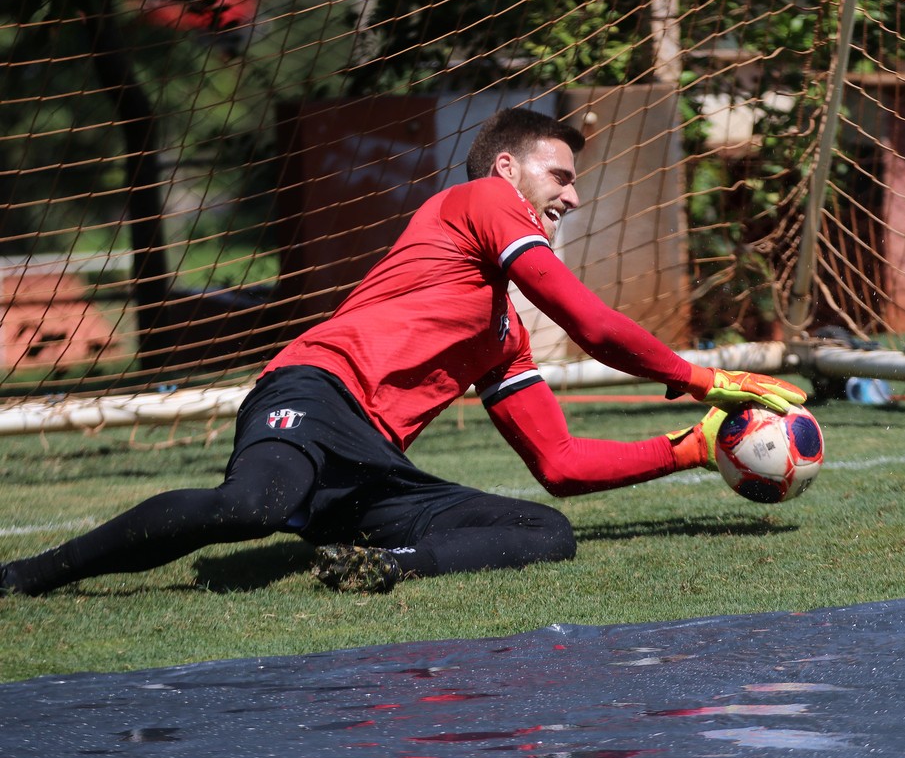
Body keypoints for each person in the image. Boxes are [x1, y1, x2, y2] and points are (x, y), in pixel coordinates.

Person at [0, 108, 806, 596]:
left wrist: (693, 447)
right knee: (252, 507)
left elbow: (558, 463)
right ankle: (26, 576)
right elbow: (592, 324)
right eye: (559, 175)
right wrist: (702, 377)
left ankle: (384, 566)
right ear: (506, 168)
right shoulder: (480, 201)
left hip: (371, 467)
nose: (572, 194)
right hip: (315, 393)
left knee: (545, 532)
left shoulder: (501, 331)